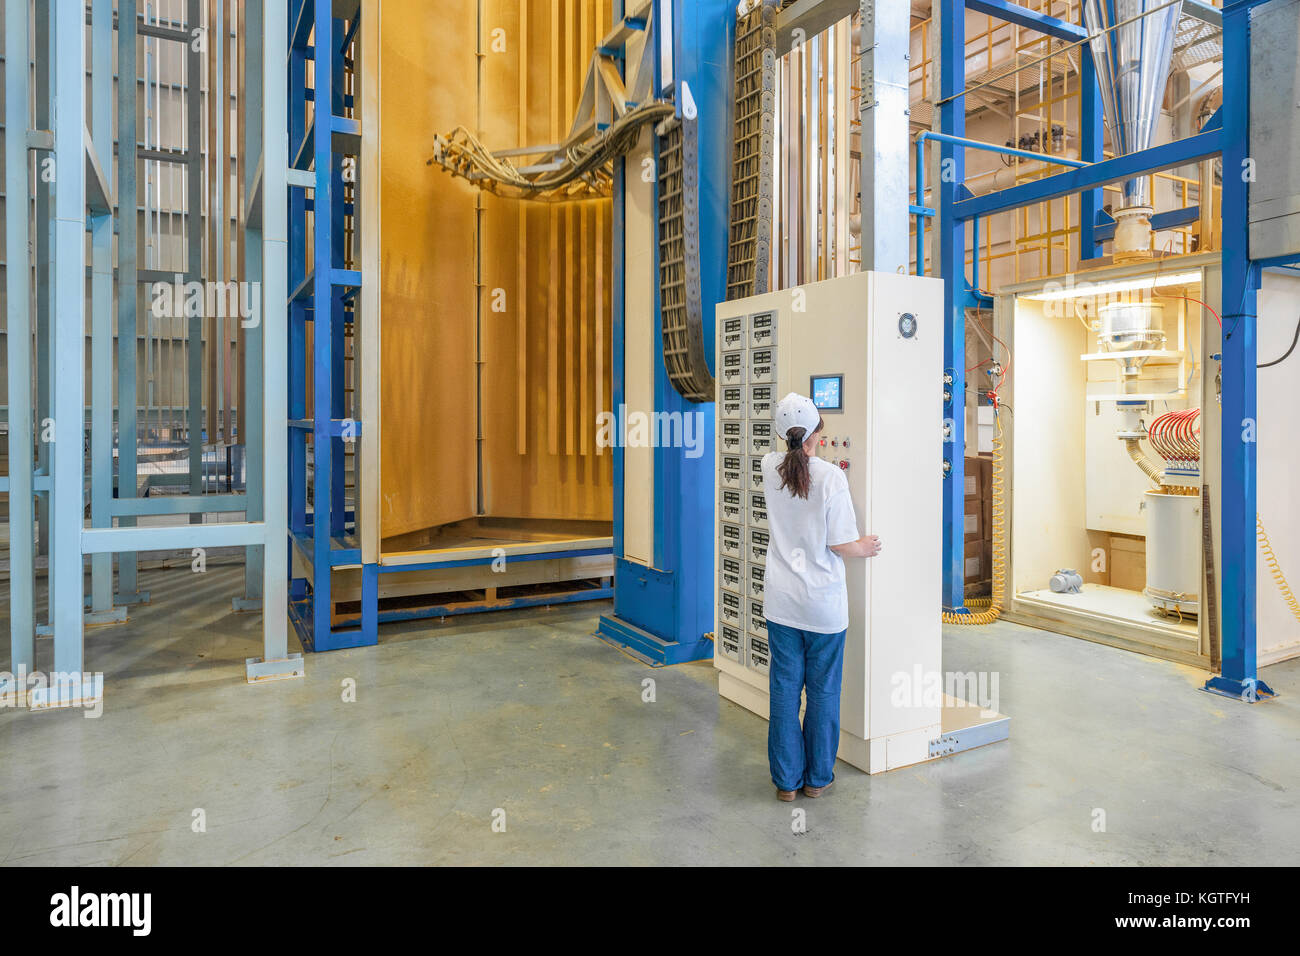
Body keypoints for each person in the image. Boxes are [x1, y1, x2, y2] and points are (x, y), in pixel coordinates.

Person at [760, 392, 881, 801]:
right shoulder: (830, 477)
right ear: (816, 434)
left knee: (784, 690)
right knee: (824, 692)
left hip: (781, 603)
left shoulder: (767, 467)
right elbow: (841, 542)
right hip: (823, 608)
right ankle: (817, 779)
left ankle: (786, 783)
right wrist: (862, 546)